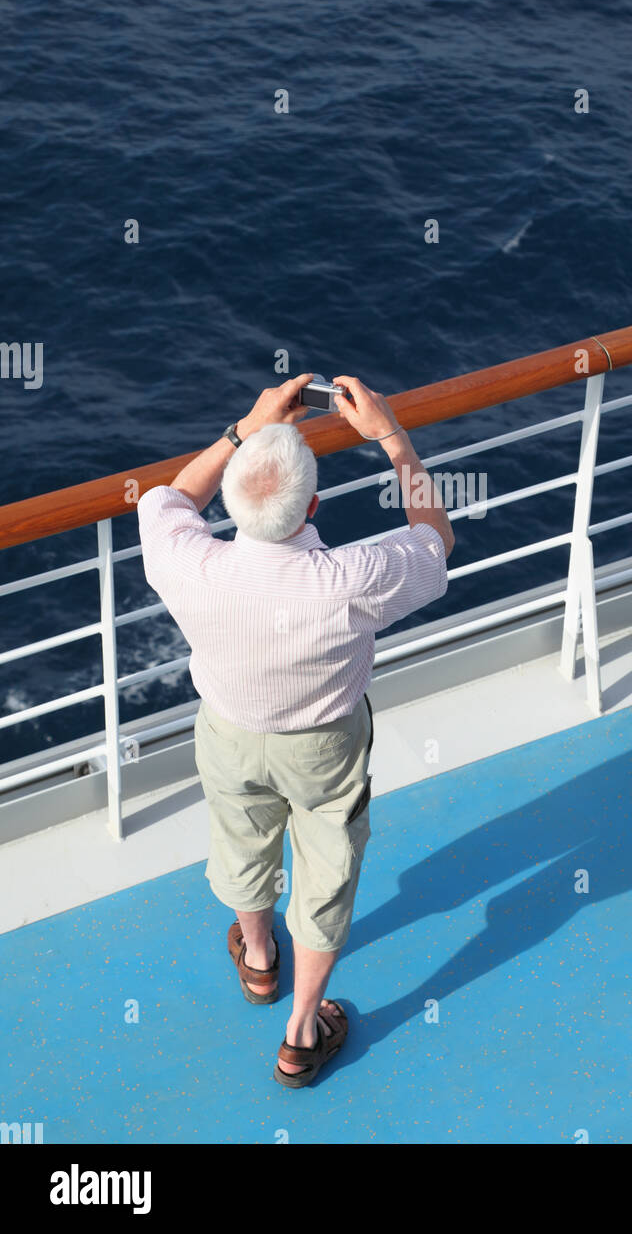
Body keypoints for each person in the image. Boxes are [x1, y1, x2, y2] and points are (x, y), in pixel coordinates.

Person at [137, 373, 454, 1086]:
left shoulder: (187, 562)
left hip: (228, 732)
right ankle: (301, 1033)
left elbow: (170, 499)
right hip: (325, 745)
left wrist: (243, 427)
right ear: (311, 505)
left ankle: (257, 961)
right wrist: (390, 436)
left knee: (242, 835)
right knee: (326, 869)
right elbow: (435, 539)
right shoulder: (351, 577)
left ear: (231, 504)